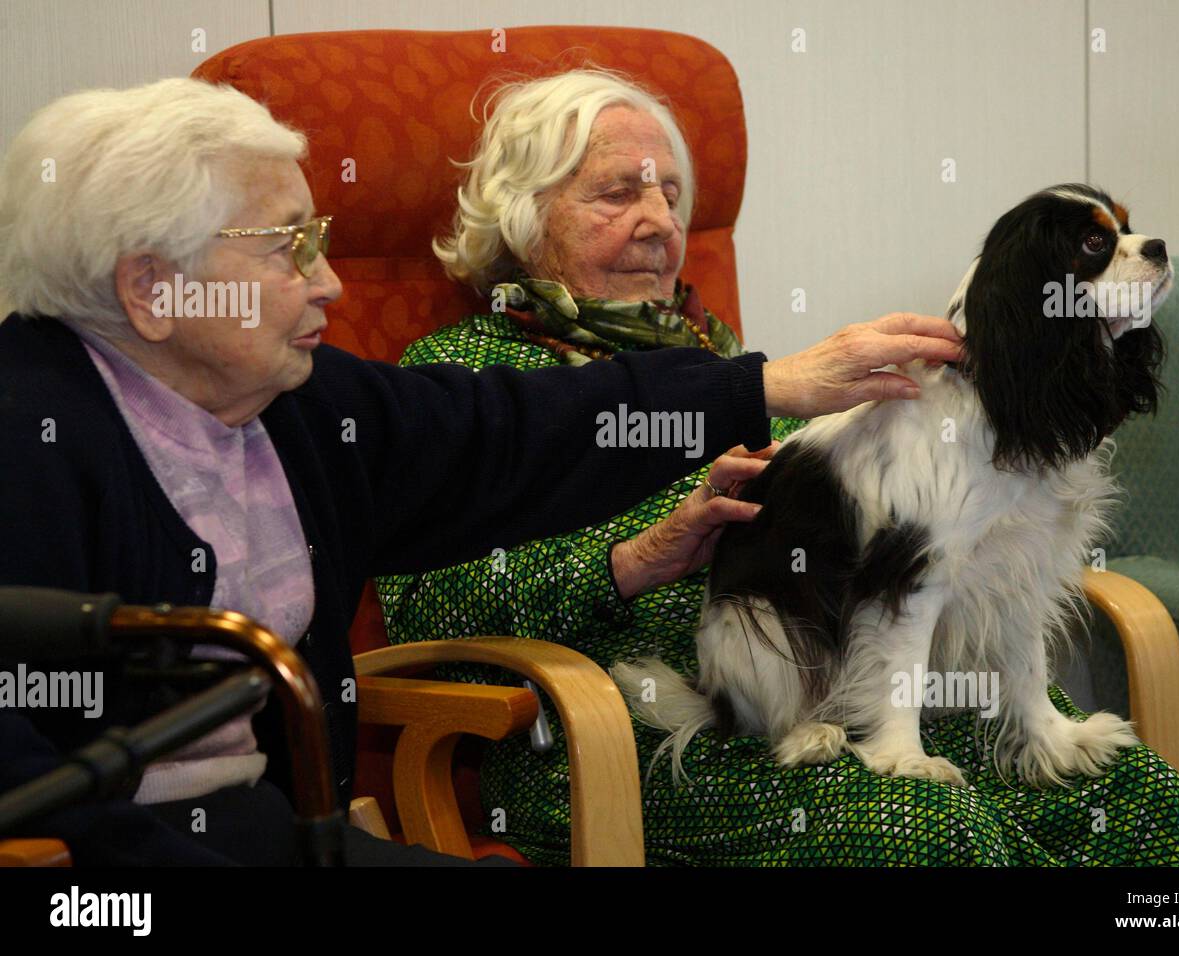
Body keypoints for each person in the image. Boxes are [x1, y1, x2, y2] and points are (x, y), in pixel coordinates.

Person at [0, 77, 961, 866]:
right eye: (289, 247)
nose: (329, 282)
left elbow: (512, 435)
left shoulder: (295, 403)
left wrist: (761, 387)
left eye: (323, 242)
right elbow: (34, 793)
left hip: (272, 832)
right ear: (151, 289)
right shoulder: (29, 441)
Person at [376, 69, 1179, 866]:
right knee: (924, 829)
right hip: (606, 731)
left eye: (670, 194)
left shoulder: (725, 361)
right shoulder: (459, 376)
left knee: (1141, 797)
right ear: (524, 219)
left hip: (849, 681)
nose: (660, 220)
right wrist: (630, 561)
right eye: (618, 192)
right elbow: (424, 607)